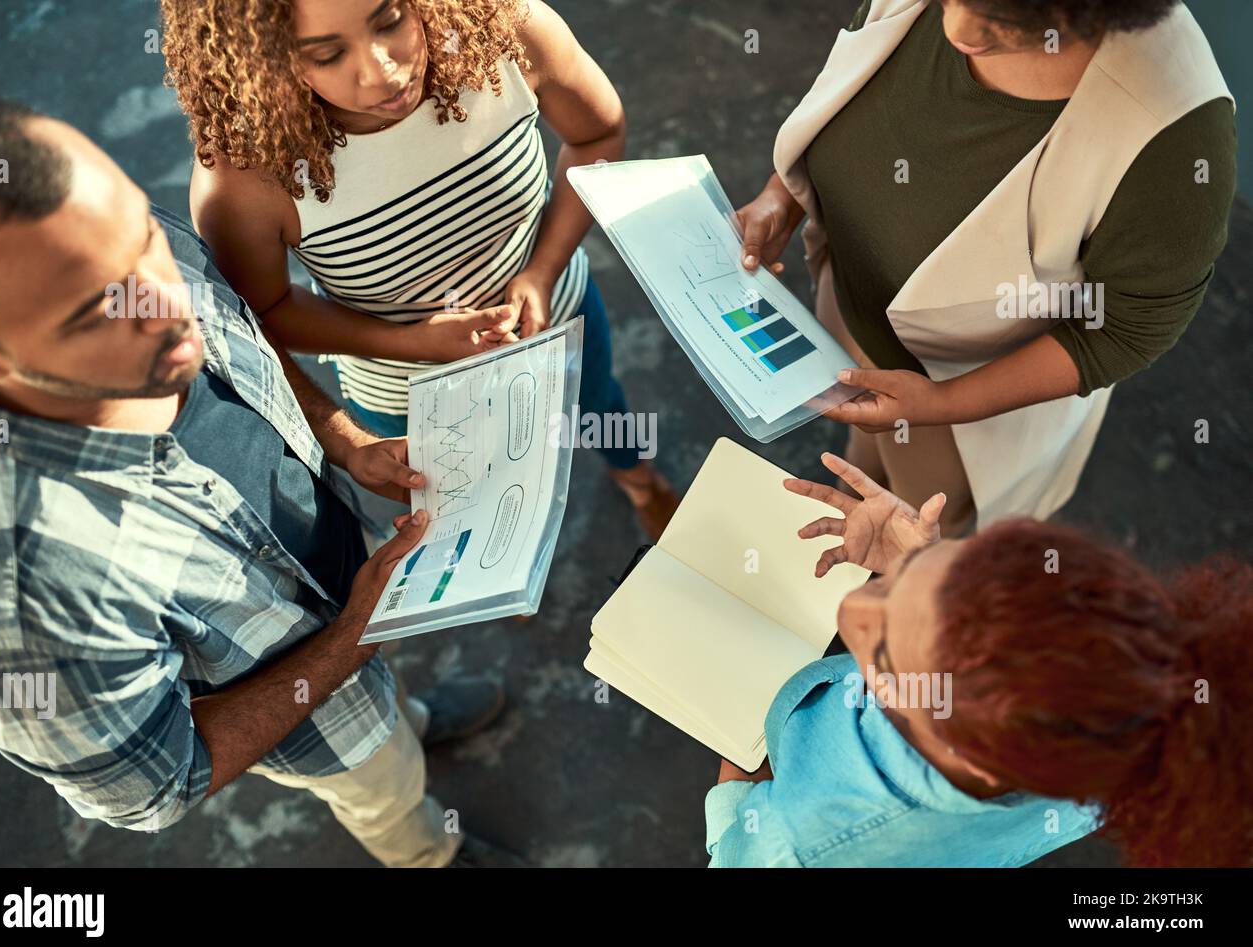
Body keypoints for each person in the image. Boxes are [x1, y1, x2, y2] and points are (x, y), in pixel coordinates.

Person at [0, 94, 516, 867]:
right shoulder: (26, 608)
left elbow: (239, 333)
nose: (168, 303)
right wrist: (351, 639)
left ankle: (408, 715)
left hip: (349, 582)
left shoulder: (92, 235)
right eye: (94, 311)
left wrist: (343, 439)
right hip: (320, 723)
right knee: (385, 788)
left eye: (144, 235)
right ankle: (431, 855)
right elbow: (164, 779)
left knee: (389, 720)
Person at [159, 0, 678, 539]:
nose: (383, 72)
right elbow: (264, 313)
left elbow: (597, 135)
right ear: (261, 57)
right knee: (470, 502)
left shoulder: (509, 34)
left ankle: (639, 481)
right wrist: (416, 343)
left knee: (596, 405)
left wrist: (543, 270)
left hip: (559, 318)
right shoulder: (246, 173)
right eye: (329, 54)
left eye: (390, 21)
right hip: (410, 394)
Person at [737, 0, 1236, 535]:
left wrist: (942, 404)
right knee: (864, 471)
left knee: (917, 537)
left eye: (1009, 16)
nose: (959, 29)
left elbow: (1127, 330)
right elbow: (845, 101)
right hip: (845, 320)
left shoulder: (1174, 134)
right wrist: (780, 197)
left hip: (961, 408)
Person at [705, 452, 1252, 867]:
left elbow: (737, 853)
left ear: (972, 758)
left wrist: (740, 773)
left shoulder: (802, 841)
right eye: (929, 567)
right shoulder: (1112, 735)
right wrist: (913, 561)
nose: (852, 605)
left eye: (886, 651)